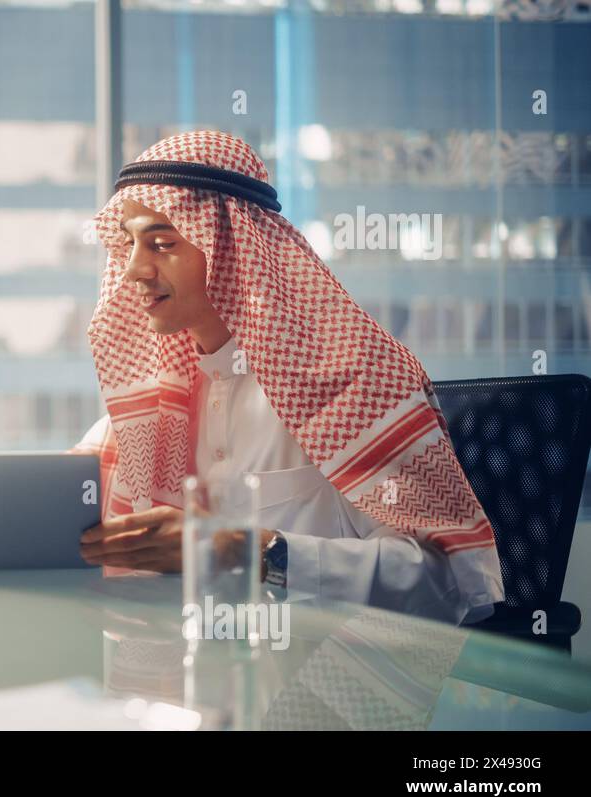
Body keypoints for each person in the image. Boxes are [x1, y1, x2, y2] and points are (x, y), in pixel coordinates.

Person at [75, 131, 503, 625]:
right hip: (187, 662)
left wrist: (252, 553)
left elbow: (450, 580)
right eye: (129, 243)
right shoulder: (157, 403)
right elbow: (54, 506)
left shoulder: (352, 382)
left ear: (231, 247)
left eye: (162, 244)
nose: (133, 269)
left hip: (321, 666)